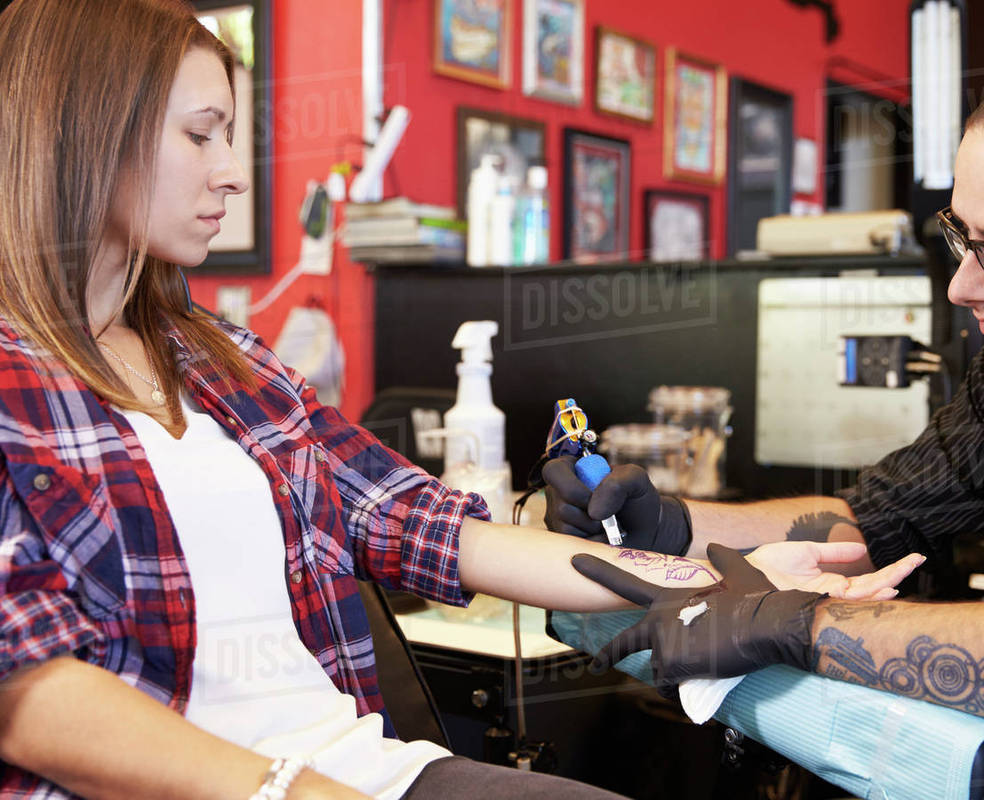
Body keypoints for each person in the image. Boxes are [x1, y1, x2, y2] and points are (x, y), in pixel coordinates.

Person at [0, 1, 925, 798]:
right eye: (200, 135)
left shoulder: (223, 361)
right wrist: (290, 789)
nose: (234, 172)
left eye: (232, 137)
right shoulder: (14, 380)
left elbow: (436, 528)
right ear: (82, 130)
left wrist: (719, 577)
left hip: (354, 766)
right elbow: (31, 695)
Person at [544, 42, 984, 799]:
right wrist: (675, 526)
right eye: (963, 236)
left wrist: (809, 627)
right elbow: (871, 522)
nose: (962, 287)